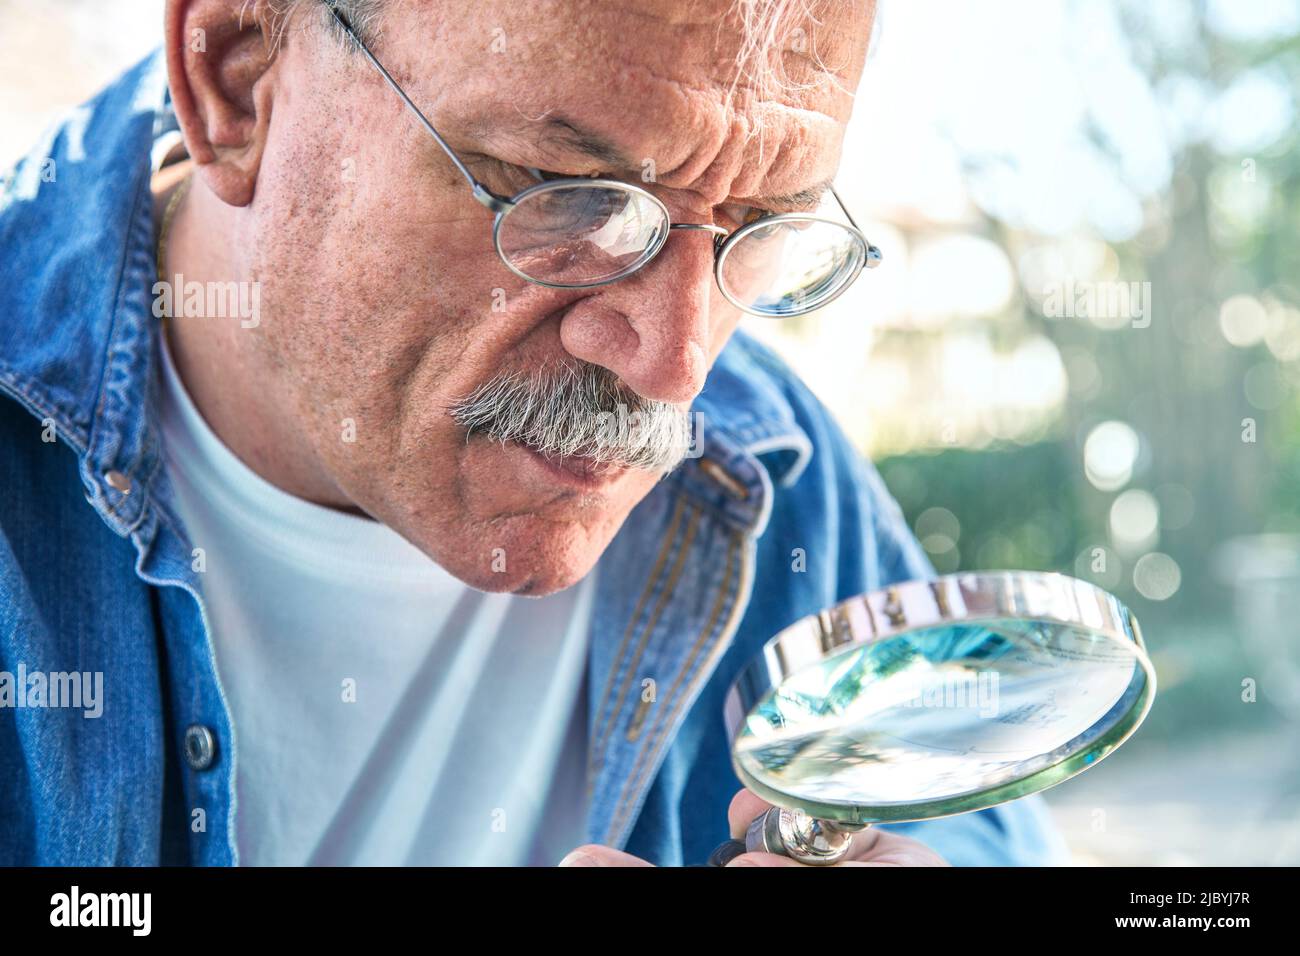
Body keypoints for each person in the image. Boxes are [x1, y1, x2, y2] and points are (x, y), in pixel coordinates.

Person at [0, 0, 1067, 866]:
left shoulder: (776, 474)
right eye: (565, 198)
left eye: (761, 230)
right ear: (234, 77)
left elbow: (976, 823)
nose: (676, 368)